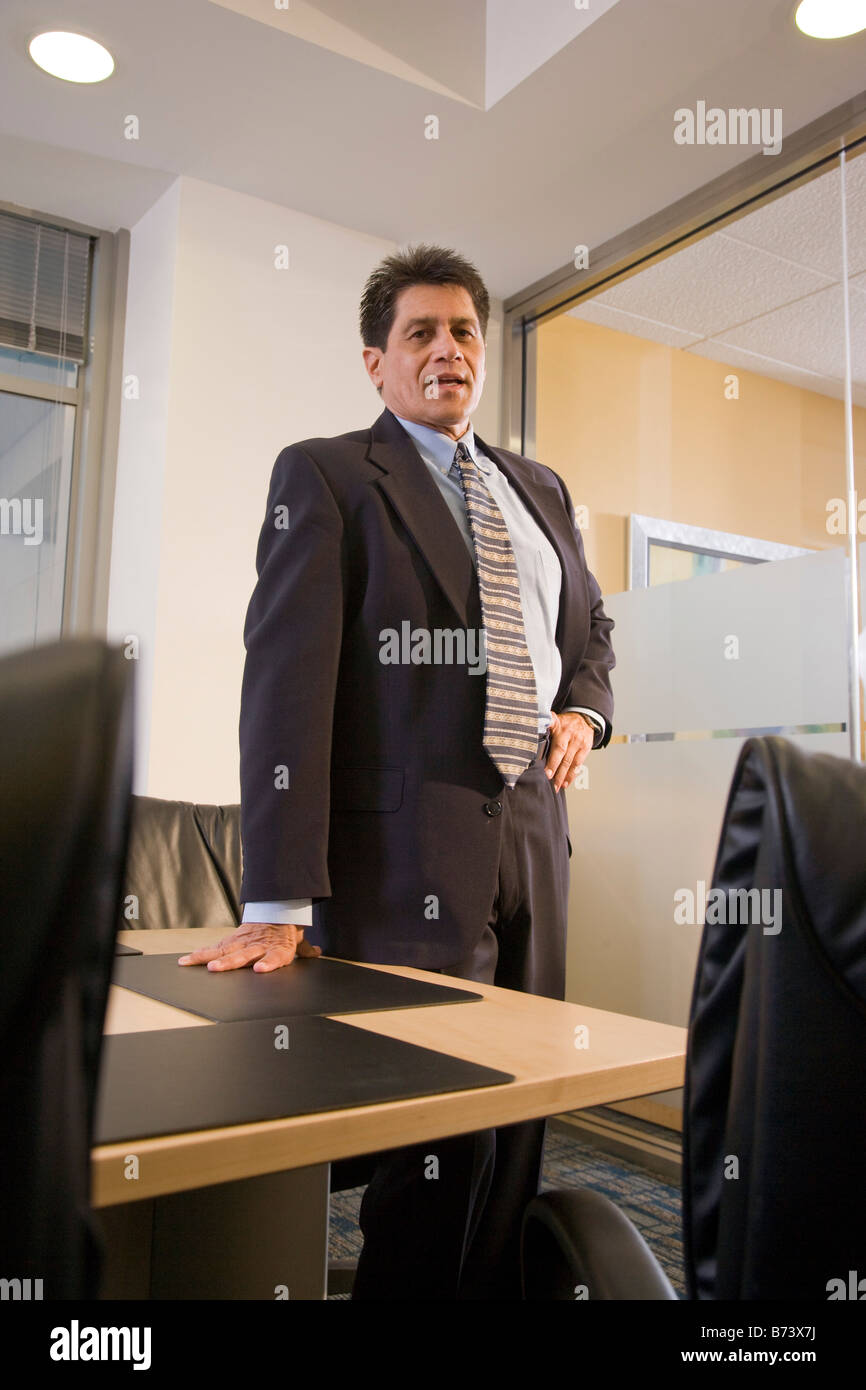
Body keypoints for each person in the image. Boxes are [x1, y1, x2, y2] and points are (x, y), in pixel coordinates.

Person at [179, 243, 616, 1299]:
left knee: (520, 1113)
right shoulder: (327, 474)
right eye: (419, 333)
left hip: (534, 831)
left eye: (463, 331)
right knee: (430, 1144)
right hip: (404, 852)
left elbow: (590, 628)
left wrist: (583, 712)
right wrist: (280, 895)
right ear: (375, 362)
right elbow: (286, 687)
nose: (447, 350)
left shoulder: (540, 486)